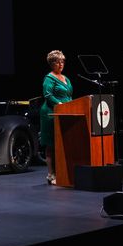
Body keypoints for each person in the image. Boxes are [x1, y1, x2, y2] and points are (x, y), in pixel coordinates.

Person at [40, 49, 73, 185]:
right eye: (58, 62)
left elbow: (69, 95)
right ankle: (50, 174)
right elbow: (48, 95)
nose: (61, 64)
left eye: (62, 61)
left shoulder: (66, 78)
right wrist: (59, 104)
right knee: (51, 144)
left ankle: (63, 173)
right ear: (52, 63)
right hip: (51, 114)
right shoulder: (49, 78)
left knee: (63, 143)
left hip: (65, 112)